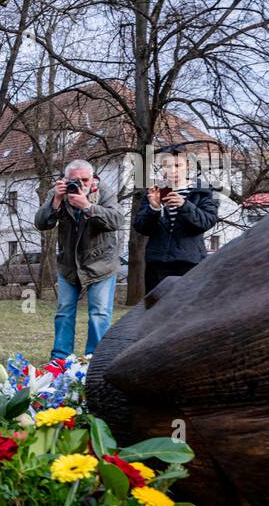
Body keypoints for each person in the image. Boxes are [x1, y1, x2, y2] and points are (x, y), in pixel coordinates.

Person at [34, 158, 124, 361]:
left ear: (93, 179)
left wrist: (88, 206)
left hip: (101, 264)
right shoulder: (57, 194)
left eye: (85, 179)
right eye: (75, 180)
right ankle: (59, 359)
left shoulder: (104, 192)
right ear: (65, 180)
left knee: (99, 314)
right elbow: (41, 223)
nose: (80, 184)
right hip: (69, 264)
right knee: (64, 312)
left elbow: (117, 220)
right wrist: (55, 201)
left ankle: (95, 359)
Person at [134, 146, 220, 292]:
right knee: (157, 310)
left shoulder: (203, 192)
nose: (172, 170)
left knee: (186, 309)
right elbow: (142, 227)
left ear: (187, 166)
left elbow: (207, 221)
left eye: (177, 165)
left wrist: (184, 205)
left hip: (189, 261)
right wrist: (154, 208)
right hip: (157, 263)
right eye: (167, 165)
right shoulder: (153, 192)